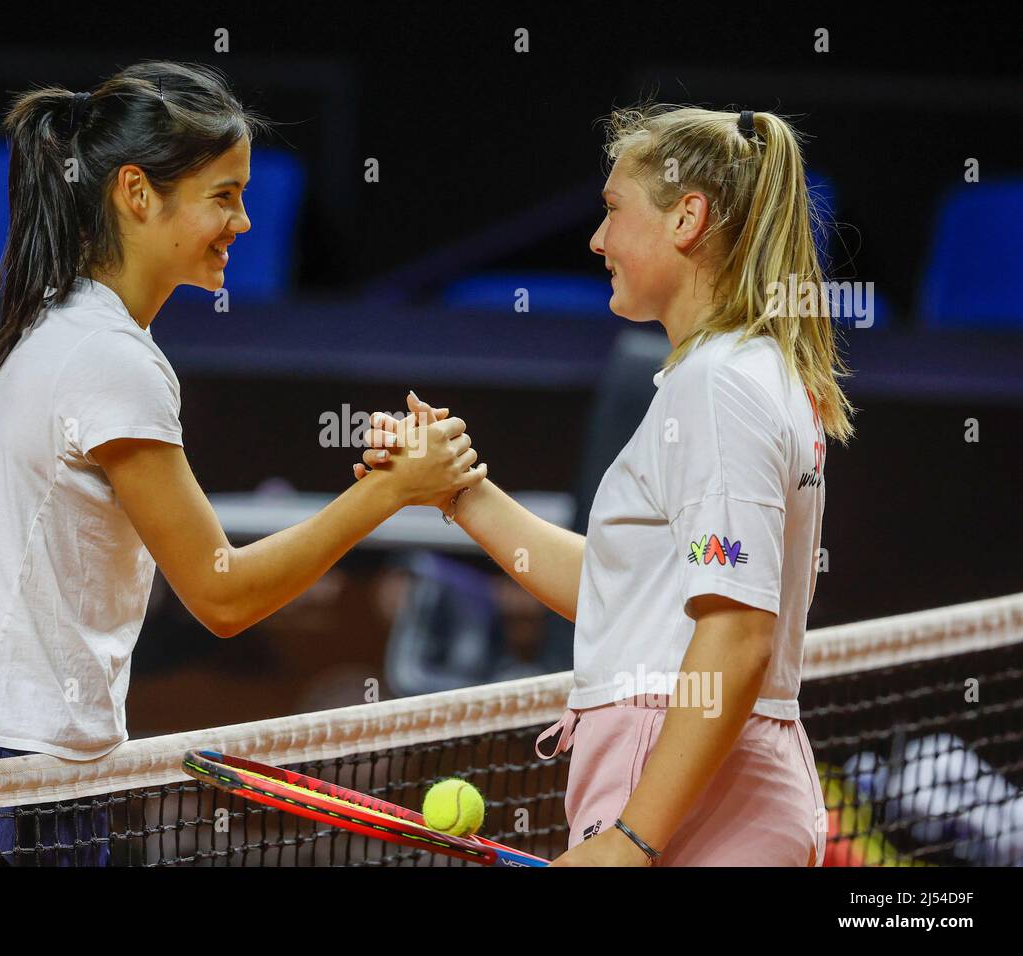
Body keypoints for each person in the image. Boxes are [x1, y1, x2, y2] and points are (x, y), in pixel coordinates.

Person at [0, 60, 484, 865]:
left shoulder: (75, 322)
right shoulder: (110, 358)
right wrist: (393, 494)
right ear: (138, 195)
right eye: (224, 195)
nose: (243, 221)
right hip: (9, 783)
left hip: (14, 768)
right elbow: (221, 594)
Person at [357, 105, 854, 866]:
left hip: (688, 793)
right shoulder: (734, 377)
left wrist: (630, 839)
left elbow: (738, 632)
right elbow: (627, 590)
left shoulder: (720, 387)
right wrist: (458, 492)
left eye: (614, 211)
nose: (597, 240)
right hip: (718, 786)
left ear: (688, 217)